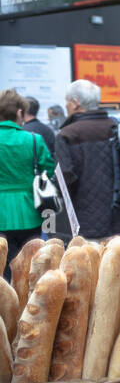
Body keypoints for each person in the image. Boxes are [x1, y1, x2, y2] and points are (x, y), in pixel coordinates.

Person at [55, 79, 120, 239]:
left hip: (83, 218)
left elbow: (65, 178)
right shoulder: (117, 128)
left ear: (75, 103)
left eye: (67, 102)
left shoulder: (67, 134)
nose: (66, 106)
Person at [0, 88, 55, 258]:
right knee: (29, 267)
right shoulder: (33, 139)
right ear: (19, 112)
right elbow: (48, 170)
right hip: (30, 212)